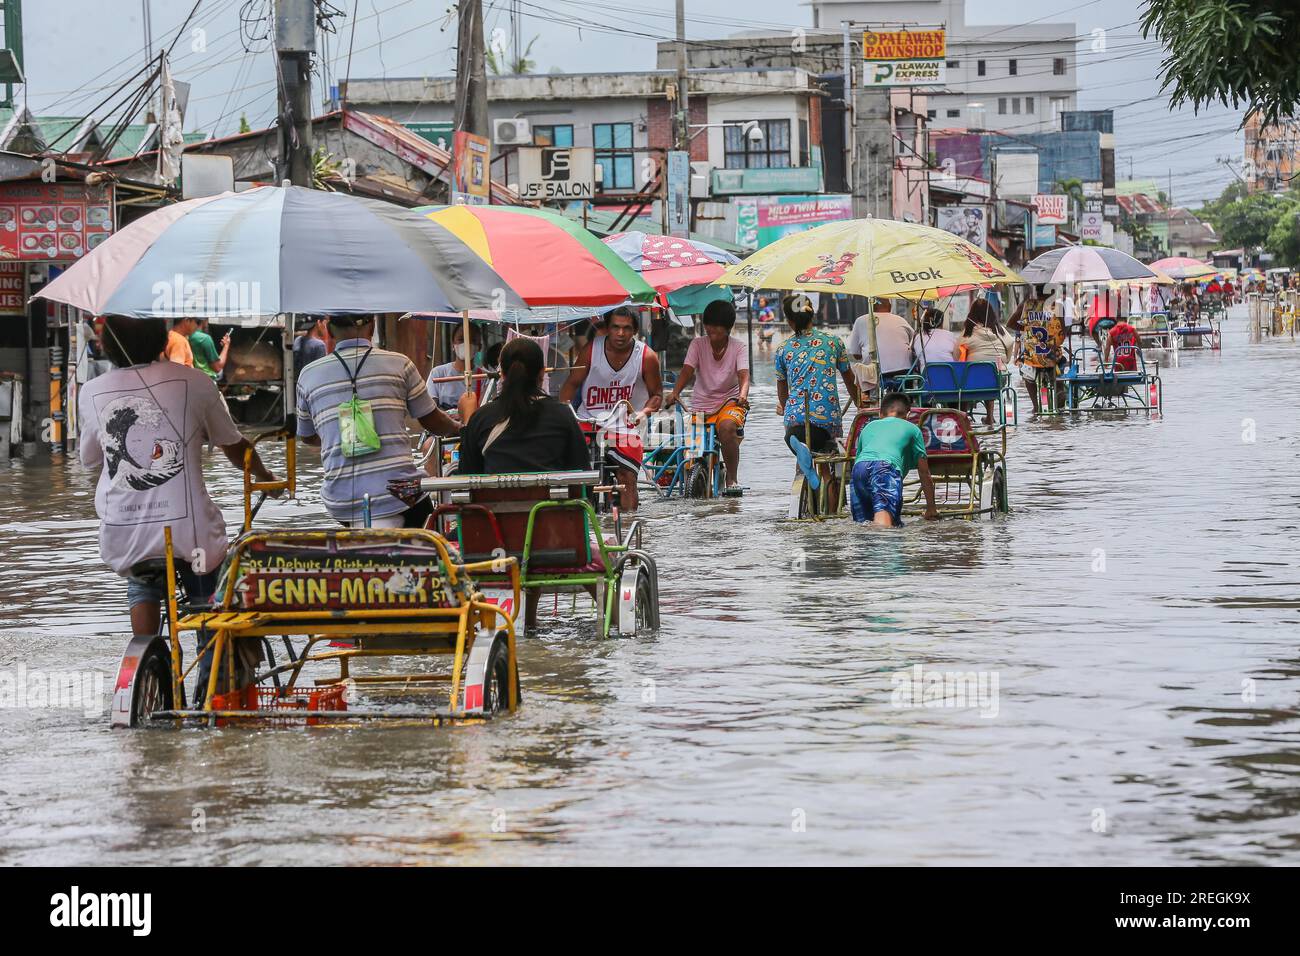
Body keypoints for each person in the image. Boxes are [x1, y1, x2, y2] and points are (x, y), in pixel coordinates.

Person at [79, 315, 279, 690]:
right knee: (208, 597)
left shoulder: (90, 390)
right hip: (194, 540)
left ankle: (144, 657)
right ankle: (211, 682)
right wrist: (267, 479)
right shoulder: (196, 382)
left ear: (107, 345)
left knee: (142, 580)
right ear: (161, 339)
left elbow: (90, 460)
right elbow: (235, 447)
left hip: (124, 537)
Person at [296, 315, 466, 528]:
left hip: (340, 500)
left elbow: (308, 436)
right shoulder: (400, 364)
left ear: (328, 331)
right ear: (372, 327)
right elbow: (434, 423)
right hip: (399, 495)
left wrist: (342, 435)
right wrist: (462, 429)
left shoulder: (307, 375)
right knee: (434, 524)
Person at [561, 305, 663, 512]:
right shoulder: (591, 350)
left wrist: (641, 414)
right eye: (615, 327)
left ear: (635, 330)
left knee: (627, 478)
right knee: (568, 472)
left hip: (625, 425)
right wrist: (563, 412)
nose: (620, 333)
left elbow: (657, 396)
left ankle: (629, 527)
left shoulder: (647, 356)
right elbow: (571, 385)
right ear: (607, 328)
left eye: (626, 328)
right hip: (588, 421)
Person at [459, 338, 590, 475]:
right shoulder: (562, 415)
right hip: (550, 495)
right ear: (542, 373)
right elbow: (582, 473)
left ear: (502, 374)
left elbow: (467, 476)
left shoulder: (481, 418)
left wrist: (468, 422)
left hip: (495, 497)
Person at [663, 299, 751, 495]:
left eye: (717, 328)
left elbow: (744, 375)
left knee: (727, 427)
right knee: (692, 446)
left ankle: (732, 478)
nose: (711, 331)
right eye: (709, 326)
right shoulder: (697, 344)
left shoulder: (739, 347)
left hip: (730, 402)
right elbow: (687, 371)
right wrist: (675, 392)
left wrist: (743, 395)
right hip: (701, 404)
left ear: (728, 329)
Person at [775, 293, 859, 479]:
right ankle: (828, 488)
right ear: (812, 315)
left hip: (795, 416)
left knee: (799, 443)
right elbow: (850, 380)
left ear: (789, 321)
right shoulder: (833, 342)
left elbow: (782, 392)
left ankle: (803, 463)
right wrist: (861, 404)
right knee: (829, 468)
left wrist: (786, 405)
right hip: (827, 419)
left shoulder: (783, 349)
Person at [850, 392, 938, 526]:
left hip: (859, 469)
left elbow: (859, 459)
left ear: (880, 414)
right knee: (883, 524)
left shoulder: (868, 427)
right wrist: (931, 508)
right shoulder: (913, 429)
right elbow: (924, 472)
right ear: (908, 415)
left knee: (865, 524)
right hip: (885, 467)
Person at [1009, 285, 1065, 414]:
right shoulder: (1058, 306)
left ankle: (1035, 405)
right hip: (1051, 354)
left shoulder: (1027, 305)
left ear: (1036, 291)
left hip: (1032, 354)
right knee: (1060, 363)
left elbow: (1011, 324)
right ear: (1052, 292)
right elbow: (1063, 334)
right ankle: (1059, 388)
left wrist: (1027, 328)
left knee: (1027, 375)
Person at [957, 298, 1014, 424]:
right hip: (998, 379)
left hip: (972, 380)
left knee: (965, 376)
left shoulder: (966, 334)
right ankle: (990, 416)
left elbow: (956, 355)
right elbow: (1010, 343)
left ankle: (964, 417)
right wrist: (1006, 360)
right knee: (991, 375)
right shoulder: (1001, 331)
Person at [848, 298, 914, 379]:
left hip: (875, 373)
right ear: (890, 306)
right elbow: (914, 343)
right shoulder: (901, 320)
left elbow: (856, 355)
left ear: (871, 306)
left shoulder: (861, 320)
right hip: (904, 371)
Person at [426, 323, 483, 415]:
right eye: (461, 339)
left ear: (479, 347)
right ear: (453, 345)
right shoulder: (438, 373)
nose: (466, 344)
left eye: (472, 340)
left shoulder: (484, 377)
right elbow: (430, 408)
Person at [189, 318, 230, 383]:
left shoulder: (185, 335)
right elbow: (217, 367)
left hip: (191, 379)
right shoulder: (204, 338)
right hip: (206, 381)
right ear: (204, 320)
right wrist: (226, 345)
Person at [293, 315, 329, 382]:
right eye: (325, 323)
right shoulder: (319, 345)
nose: (326, 327)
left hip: (298, 383)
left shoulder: (298, 340)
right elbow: (321, 371)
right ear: (318, 323)